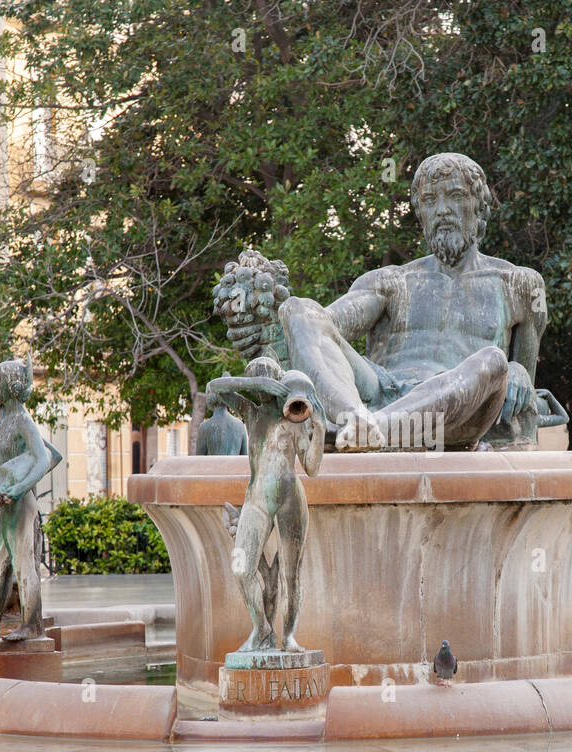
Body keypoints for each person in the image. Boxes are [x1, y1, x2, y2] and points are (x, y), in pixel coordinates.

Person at [228, 153, 549, 451]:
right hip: (377, 393)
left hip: (456, 414)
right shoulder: (391, 281)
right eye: (429, 200)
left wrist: (517, 369)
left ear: (479, 206)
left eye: (455, 196)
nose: (442, 209)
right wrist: (273, 330)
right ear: (420, 213)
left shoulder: (518, 284)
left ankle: (366, 428)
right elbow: (323, 324)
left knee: (493, 361)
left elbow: (524, 412)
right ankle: (356, 421)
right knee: (300, 309)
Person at [208, 357, 324, 653]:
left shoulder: (293, 420)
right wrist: (260, 382)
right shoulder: (249, 412)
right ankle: (261, 629)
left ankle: (288, 638)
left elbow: (311, 468)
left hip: (290, 499)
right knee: (240, 568)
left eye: (266, 380)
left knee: (291, 574)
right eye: (257, 381)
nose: (262, 392)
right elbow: (216, 386)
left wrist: (319, 428)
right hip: (257, 498)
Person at [0, 357, 61, 642]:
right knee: (0, 567)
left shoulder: (24, 421)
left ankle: (32, 623)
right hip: (1, 507)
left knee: (25, 565)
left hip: (20, 506)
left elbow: (41, 461)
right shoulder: (1, 426)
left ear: (10, 387)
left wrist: (16, 490)